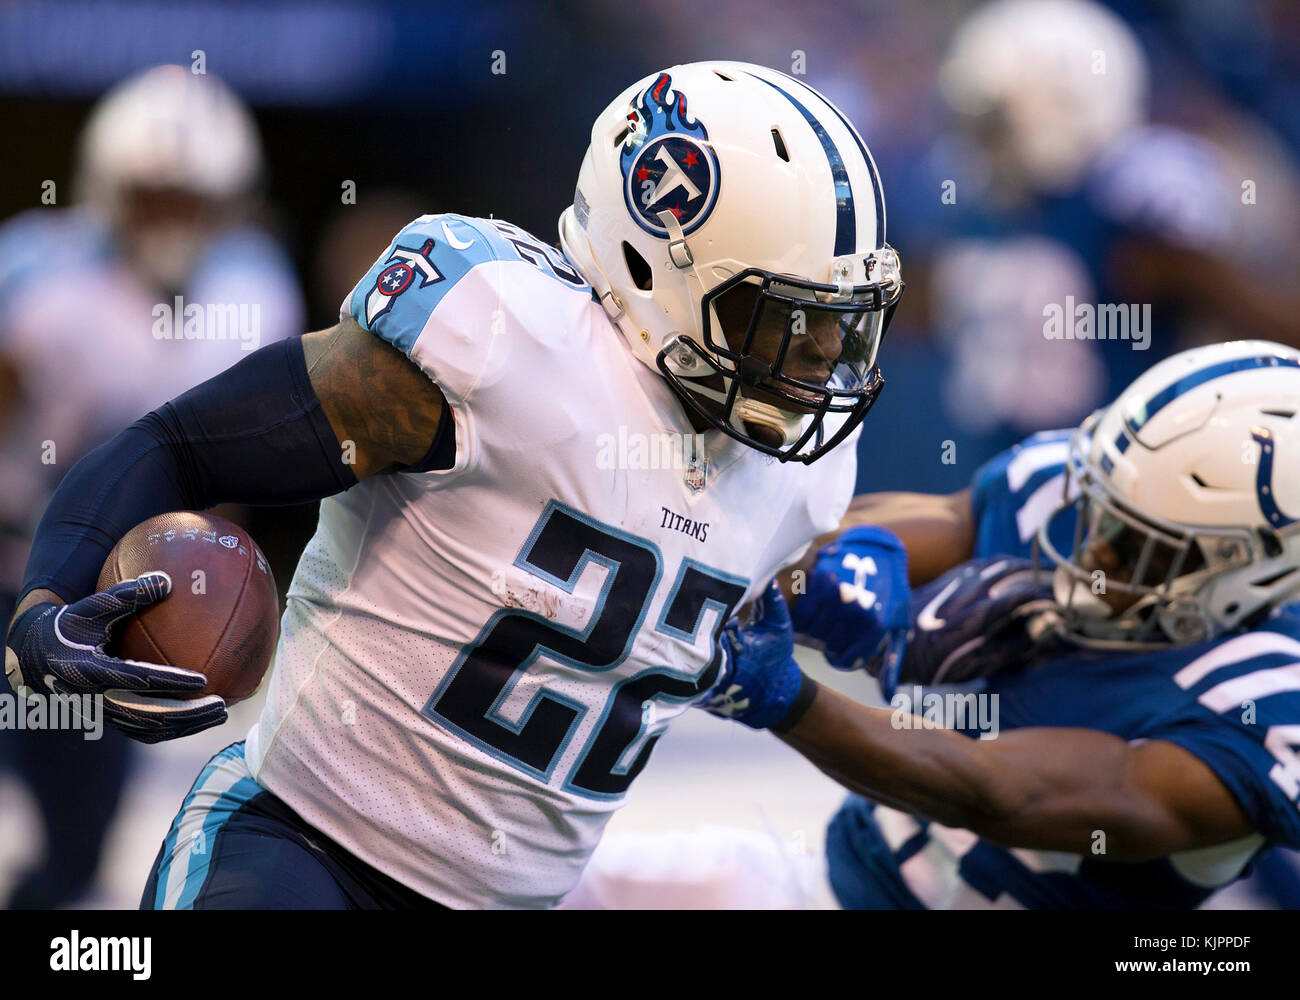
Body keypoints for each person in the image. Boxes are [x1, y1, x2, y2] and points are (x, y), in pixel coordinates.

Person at [4, 61, 903, 909]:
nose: (820, 360)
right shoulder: (506, 343)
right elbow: (180, 443)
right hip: (300, 852)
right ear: (652, 261)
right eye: (782, 317)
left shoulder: (808, 475)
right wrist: (47, 595)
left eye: (835, 325)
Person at [708, 340, 1300, 908]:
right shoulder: (1078, 484)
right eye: (1101, 512)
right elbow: (806, 548)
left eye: (1143, 543)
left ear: (1249, 570)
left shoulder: (1270, 701)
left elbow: (995, 792)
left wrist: (777, 693)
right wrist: (825, 579)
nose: (1095, 550)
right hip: (835, 880)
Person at [0, 64, 303, 909]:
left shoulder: (251, 286)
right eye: (152, 198)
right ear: (107, 190)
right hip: (13, 562)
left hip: (111, 608)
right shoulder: (39, 277)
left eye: (191, 201)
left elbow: (225, 483)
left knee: (78, 841)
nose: (171, 221)